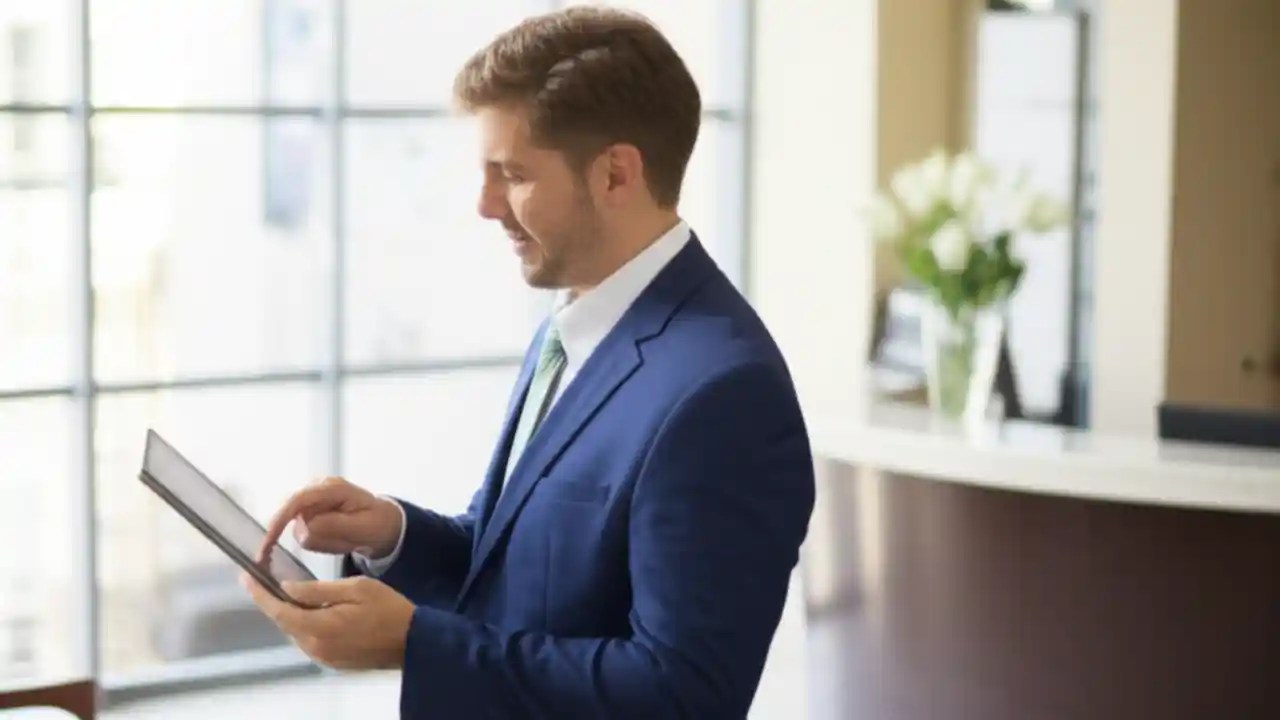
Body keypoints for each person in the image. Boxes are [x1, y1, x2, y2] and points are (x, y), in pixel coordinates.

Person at [244, 6, 815, 718]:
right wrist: (393, 535)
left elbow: (683, 694)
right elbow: (514, 567)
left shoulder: (725, 394)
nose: (485, 206)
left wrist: (416, 644)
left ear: (615, 174)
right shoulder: (574, 326)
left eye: (511, 173)